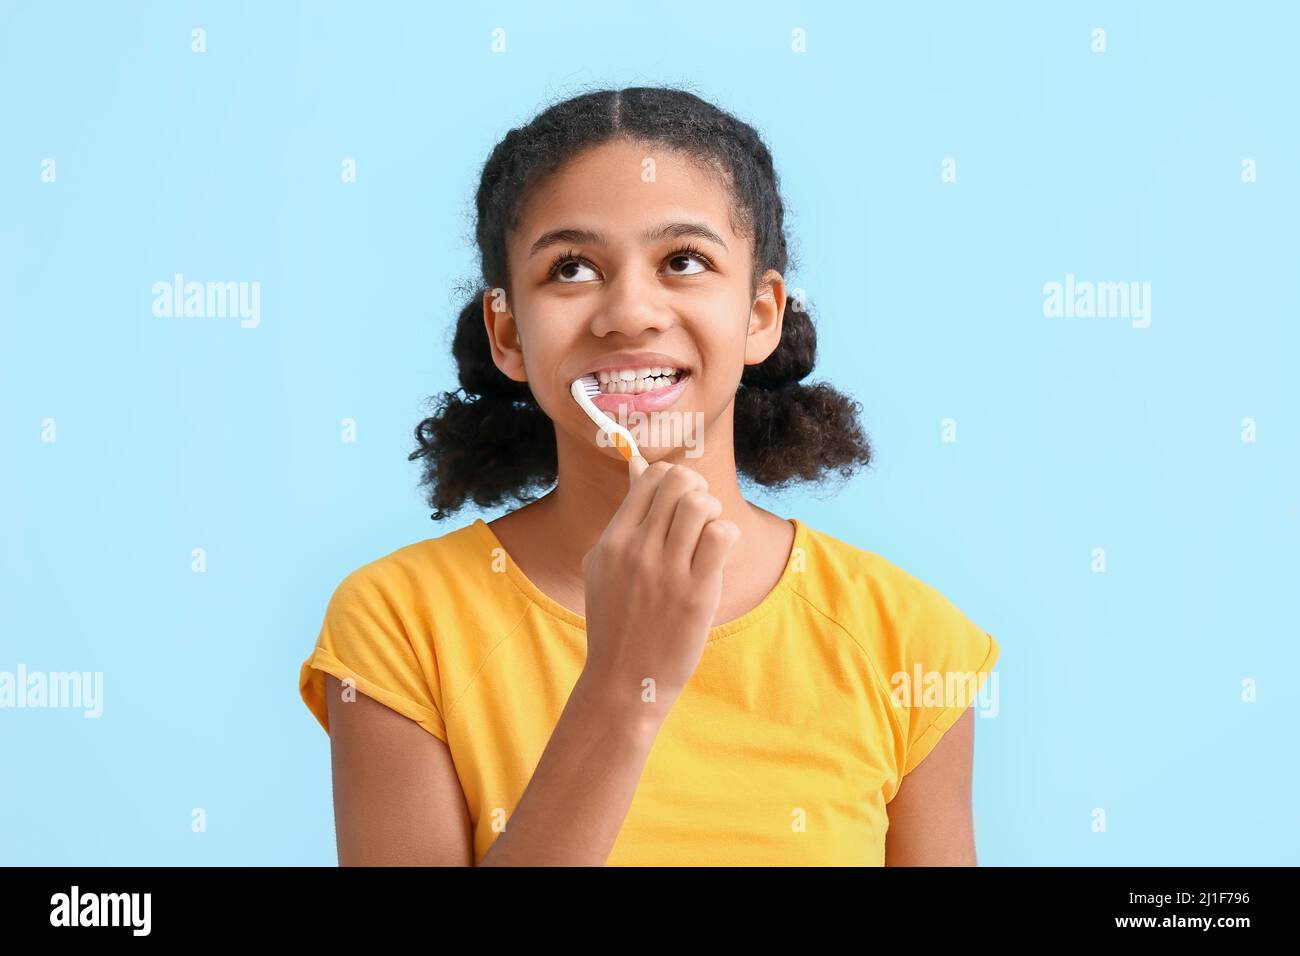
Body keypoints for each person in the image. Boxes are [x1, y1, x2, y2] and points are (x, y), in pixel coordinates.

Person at [298, 86, 1000, 866]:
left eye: (684, 261)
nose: (630, 312)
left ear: (761, 314)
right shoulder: (398, 624)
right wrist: (624, 684)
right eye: (570, 269)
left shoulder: (908, 640)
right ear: (508, 335)